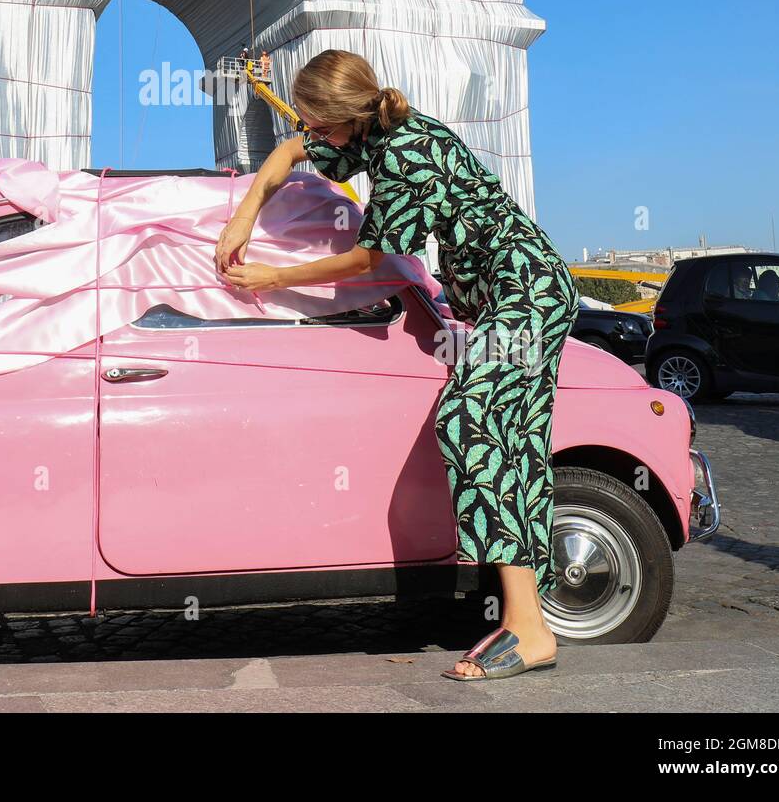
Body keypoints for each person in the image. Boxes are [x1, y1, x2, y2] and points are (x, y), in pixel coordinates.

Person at [213, 48, 579, 682]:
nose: (312, 135)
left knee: (472, 426)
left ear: (348, 116)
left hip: (529, 291)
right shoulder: (371, 135)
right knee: (512, 442)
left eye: (319, 124)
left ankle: (527, 624)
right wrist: (242, 219)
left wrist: (273, 275)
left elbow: (372, 259)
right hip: (512, 296)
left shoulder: (406, 153)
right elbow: (287, 153)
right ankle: (530, 622)